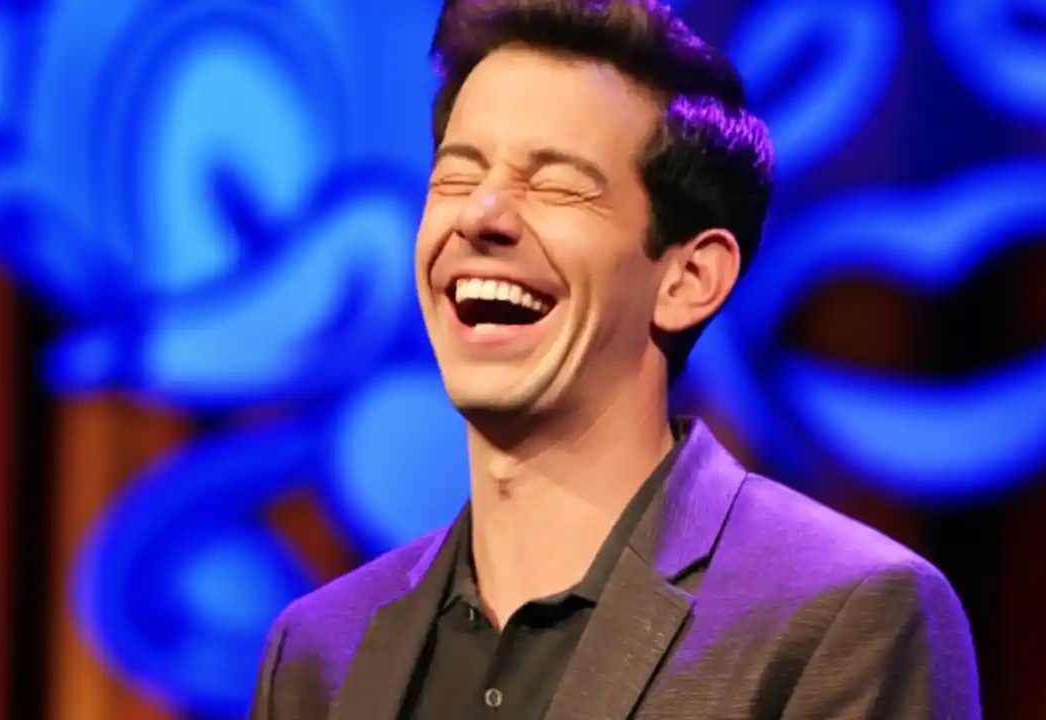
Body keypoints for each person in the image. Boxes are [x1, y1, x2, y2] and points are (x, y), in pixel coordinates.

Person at [249, 1, 981, 717]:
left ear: (689, 279)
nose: (481, 215)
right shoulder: (317, 652)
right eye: (457, 177)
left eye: (557, 185)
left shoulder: (841, 617)